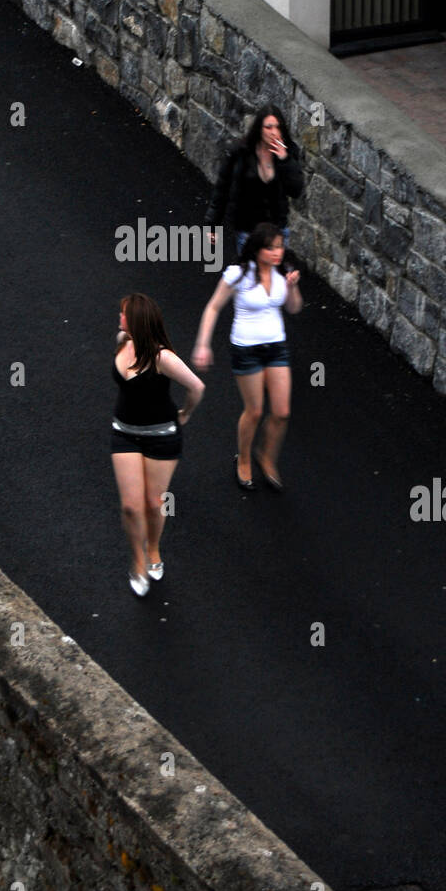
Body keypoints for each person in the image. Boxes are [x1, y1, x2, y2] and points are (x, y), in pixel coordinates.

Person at [193, 223, 302, 491]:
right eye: (271, 247)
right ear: (256, 249)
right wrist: (203, 344)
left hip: (276, 347)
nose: (278, 252)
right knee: (254, 411)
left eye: (280, 246)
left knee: (282, 412)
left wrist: (293, 288)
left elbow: (294, 308)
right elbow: (213, 307)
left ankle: (265, 455)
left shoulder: (281, 274)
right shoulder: (238, 274)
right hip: (246, 349)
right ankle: (243, 458)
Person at [112, 293, 205, 596]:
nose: (120, 318)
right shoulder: (122, 341)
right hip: (124, 432)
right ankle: (137, 560)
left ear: (137, 319)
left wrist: (185, 415)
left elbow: (196, 386)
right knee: (130, 506)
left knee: (154, 503)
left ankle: (153, 549)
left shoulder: (161, 357)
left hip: (161, 436)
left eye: (124, 314)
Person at [205, 106, 304, 258]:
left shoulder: (288, 153)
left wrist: (285, 160)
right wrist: (212, 225)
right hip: (247, 230)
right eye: (268, 127)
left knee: (275, 279)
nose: (273, 132)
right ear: (259, 129)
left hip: (276, 231)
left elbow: (296, 190)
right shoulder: (241, 152)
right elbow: (222, 188)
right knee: (251, 278)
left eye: (277, 127)